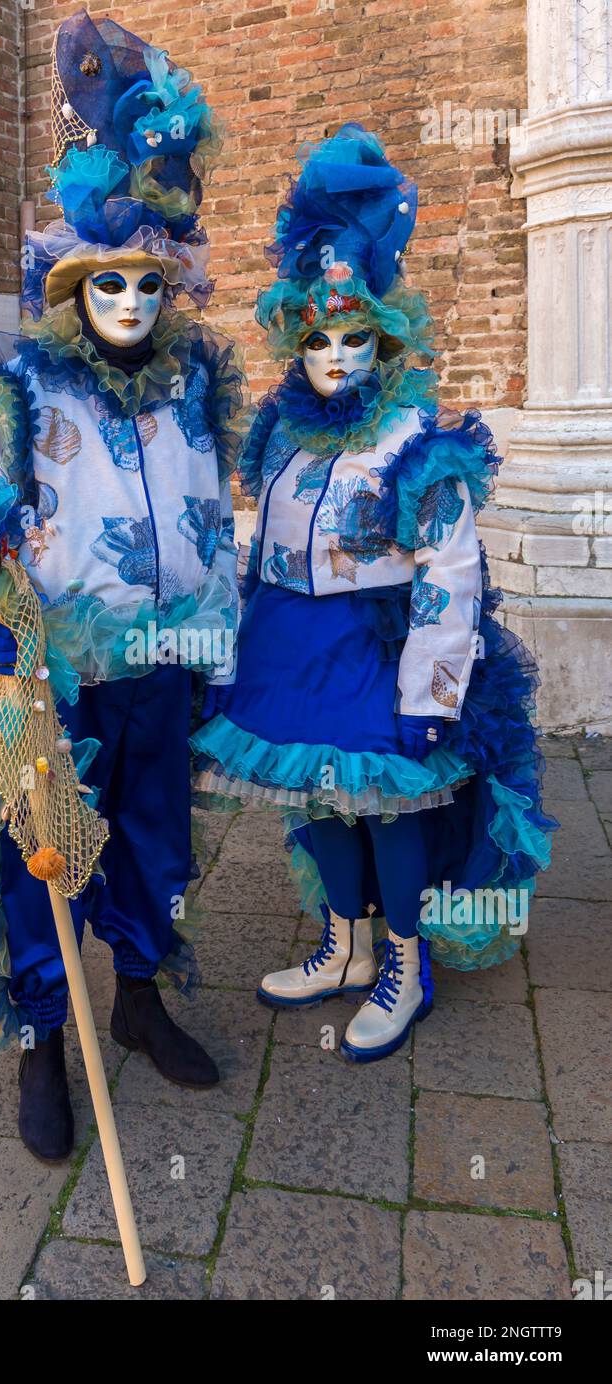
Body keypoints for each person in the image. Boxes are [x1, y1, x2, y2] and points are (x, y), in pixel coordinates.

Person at [0, 10, 243, 1160]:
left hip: (165, 660)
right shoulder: (20, 387)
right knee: (40, 848)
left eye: (152, 286)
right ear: (75, 283)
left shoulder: (192, 383)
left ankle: (140, 998)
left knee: (155, 837)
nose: (135, 306)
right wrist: (0, 633)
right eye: (112, 284)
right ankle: (40, 1043)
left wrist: (221, 629)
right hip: (58, 669)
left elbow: (210, 514)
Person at [191, 125, 556, 1063]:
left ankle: (405, 963)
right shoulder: (277, 433)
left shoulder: (411, 440)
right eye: (320, 337)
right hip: (286, 645)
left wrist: (431, 692)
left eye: (357, 337)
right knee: (315, 803)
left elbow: (451, 572)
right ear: (295, 340)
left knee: (392, 806)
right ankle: (344, 945)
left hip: (374, 653)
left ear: (384, 340)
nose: (339, 354)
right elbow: (257, 543)